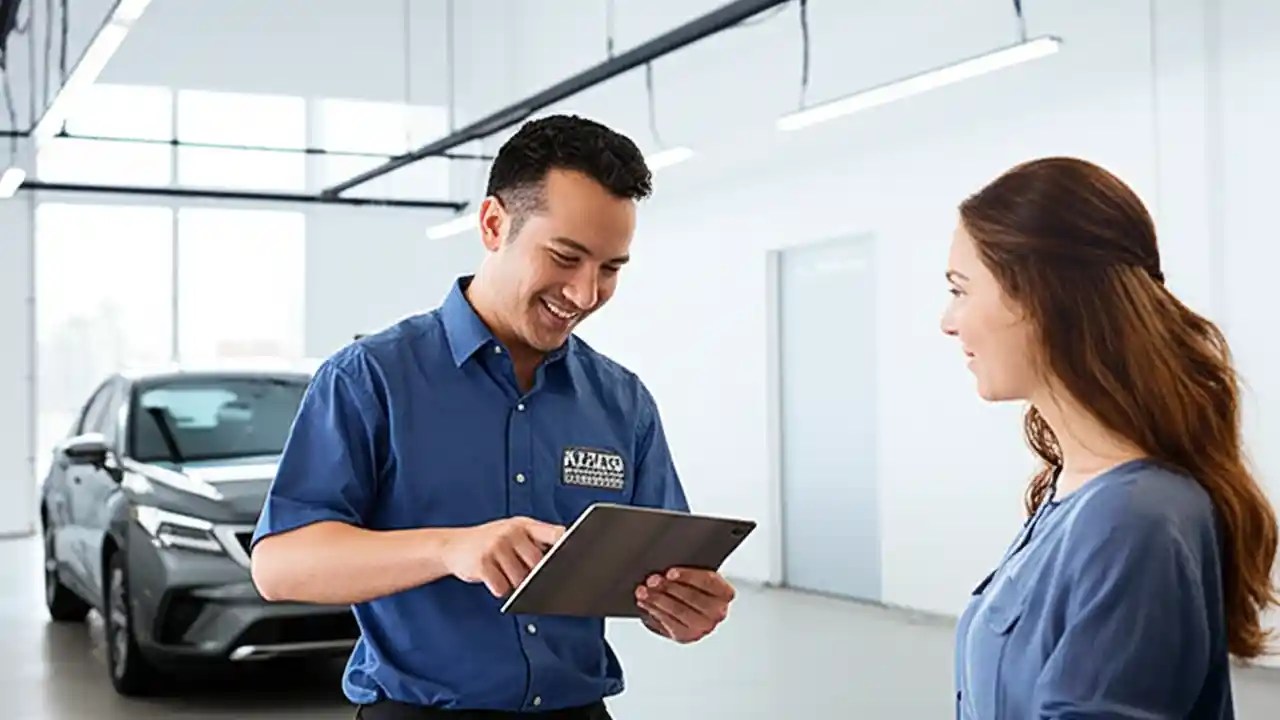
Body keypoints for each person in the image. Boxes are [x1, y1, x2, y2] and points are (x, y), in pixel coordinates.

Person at [249, 114, 737, 719]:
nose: (585, 295)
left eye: (610, 269)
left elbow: (660, 572)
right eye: (565, 257)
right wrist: (451, 549)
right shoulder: (370, 379)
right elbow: (279, 565)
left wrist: (683, 610)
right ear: (493, 224)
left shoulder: (622, 401)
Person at [940, 156, 1279, 719]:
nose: (948, 322)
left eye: (961, 289)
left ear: (1040, 298)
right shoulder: (1070, 492)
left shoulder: (1132, 520)